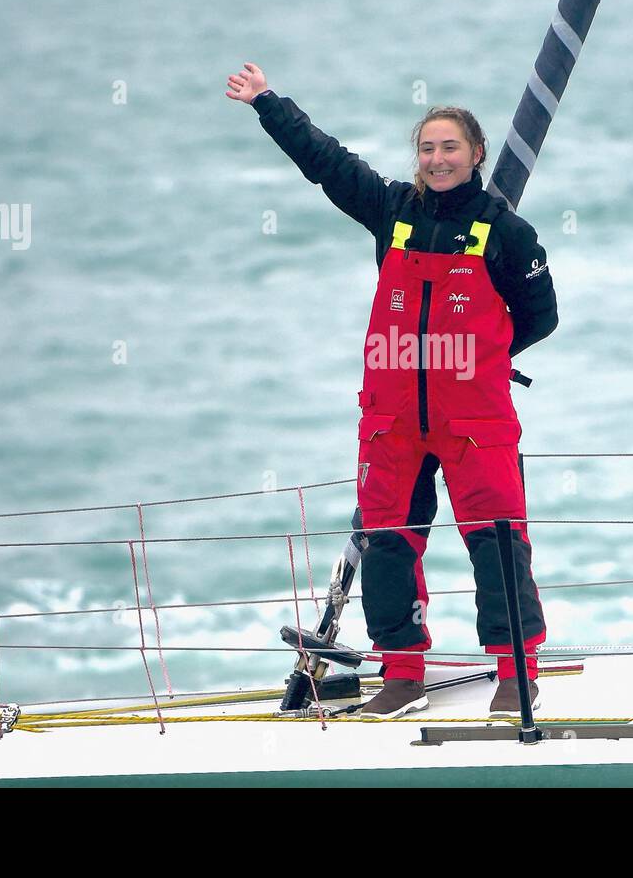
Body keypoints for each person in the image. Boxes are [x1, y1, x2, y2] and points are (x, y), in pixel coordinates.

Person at [226, 62, 558, 718]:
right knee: (387, 545)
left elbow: (541, 316)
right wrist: (268, 102)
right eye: (428, 148)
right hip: (392, 421)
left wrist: (481, 359)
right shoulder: (391, 209)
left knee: (496, 541)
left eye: (449, 147)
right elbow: (326, 162)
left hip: (476, 421)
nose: (437, 158)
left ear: (476, 153)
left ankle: (516, 673)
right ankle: (402, 674)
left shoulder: (507, 233)